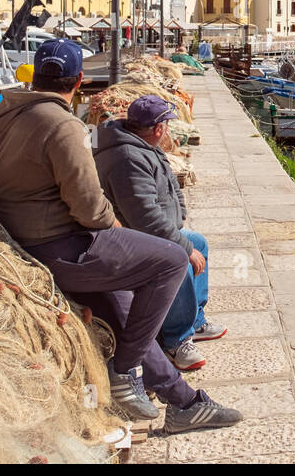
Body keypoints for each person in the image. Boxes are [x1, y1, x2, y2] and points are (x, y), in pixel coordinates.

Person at [0, 39, 241, 434]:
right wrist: (114, 229)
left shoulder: (8, 115)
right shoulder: (63, 125)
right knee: (169, 259)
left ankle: (184, 402)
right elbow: (88, 206)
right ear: (79, 80)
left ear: (37, 74)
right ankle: (125, 369)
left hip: (28, 239)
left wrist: (12, 203)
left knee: (127, 313)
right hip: (65, 245)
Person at [93, 95, 225, 371]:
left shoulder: (143, 145)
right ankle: (176, 339)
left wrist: (181, 213)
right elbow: (145, 219)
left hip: (155, 230)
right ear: (158, 129)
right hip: (132, 238)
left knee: (198, 241)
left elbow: (170, 184)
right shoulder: (127, 159)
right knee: (179, 256)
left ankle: (196, 319)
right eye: (166, 124)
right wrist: (184, 248)